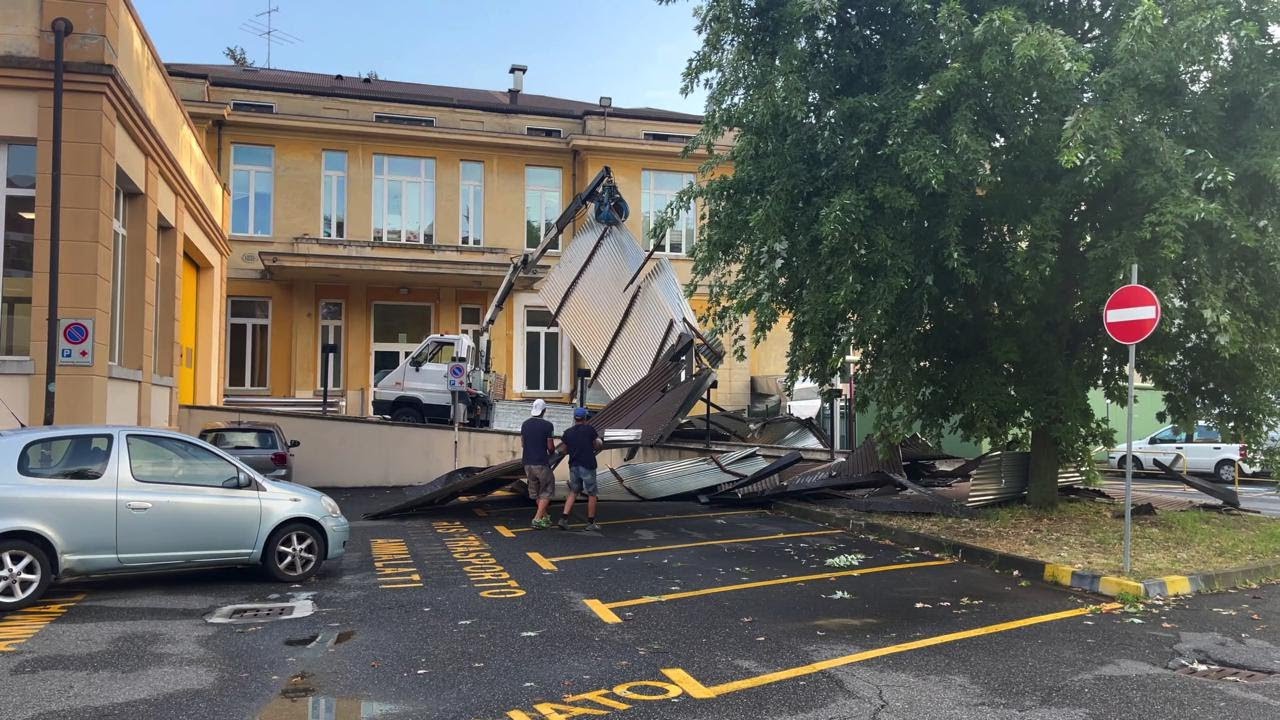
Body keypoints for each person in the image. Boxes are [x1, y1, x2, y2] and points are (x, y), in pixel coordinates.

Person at [557, 406, 604, 531]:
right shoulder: (589, 430)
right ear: (585, 418)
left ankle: (564, 518)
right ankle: (591, 522)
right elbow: (596, 445)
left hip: (573, 465)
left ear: (575, 418)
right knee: (592, 493)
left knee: (573, 491)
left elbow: (564, 450)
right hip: (588, 465)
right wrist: (599, 443)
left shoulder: (568, 432)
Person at [520, 399, 557, 529]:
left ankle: (545, 517)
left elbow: (523, 444)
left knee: (536, 492)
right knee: (546, 491)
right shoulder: (548, 426)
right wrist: (553, 451)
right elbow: (550, 447)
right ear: (544, 410)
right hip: (541, 462)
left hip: (527, 463)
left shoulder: (525, 424)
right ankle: (536, 519)